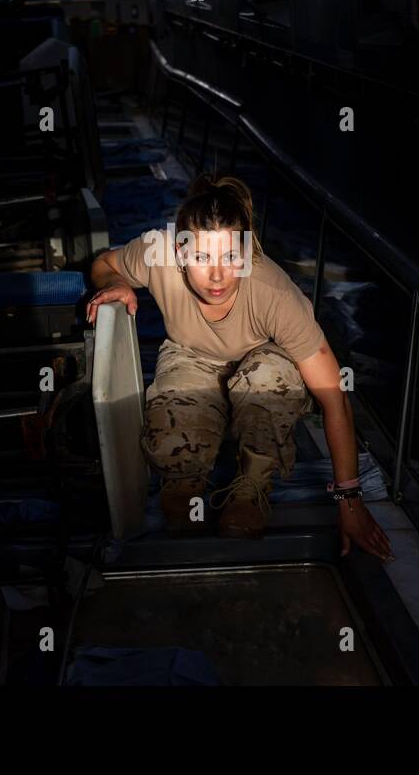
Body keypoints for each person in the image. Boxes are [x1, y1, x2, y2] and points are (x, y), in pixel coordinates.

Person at [86, 173, 393, 560]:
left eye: (231, 257)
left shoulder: (275, 294)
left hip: (259, 360)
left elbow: (335, 400)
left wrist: (350, 502)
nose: (217, 276)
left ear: (246, 255)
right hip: (191, 356)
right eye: (202, 258)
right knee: (174, 472)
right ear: (180, 252)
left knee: (270, 378)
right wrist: (118, 284)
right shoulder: (157, 252)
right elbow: (102, 263)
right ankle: (185, 477)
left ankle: (252, 486)